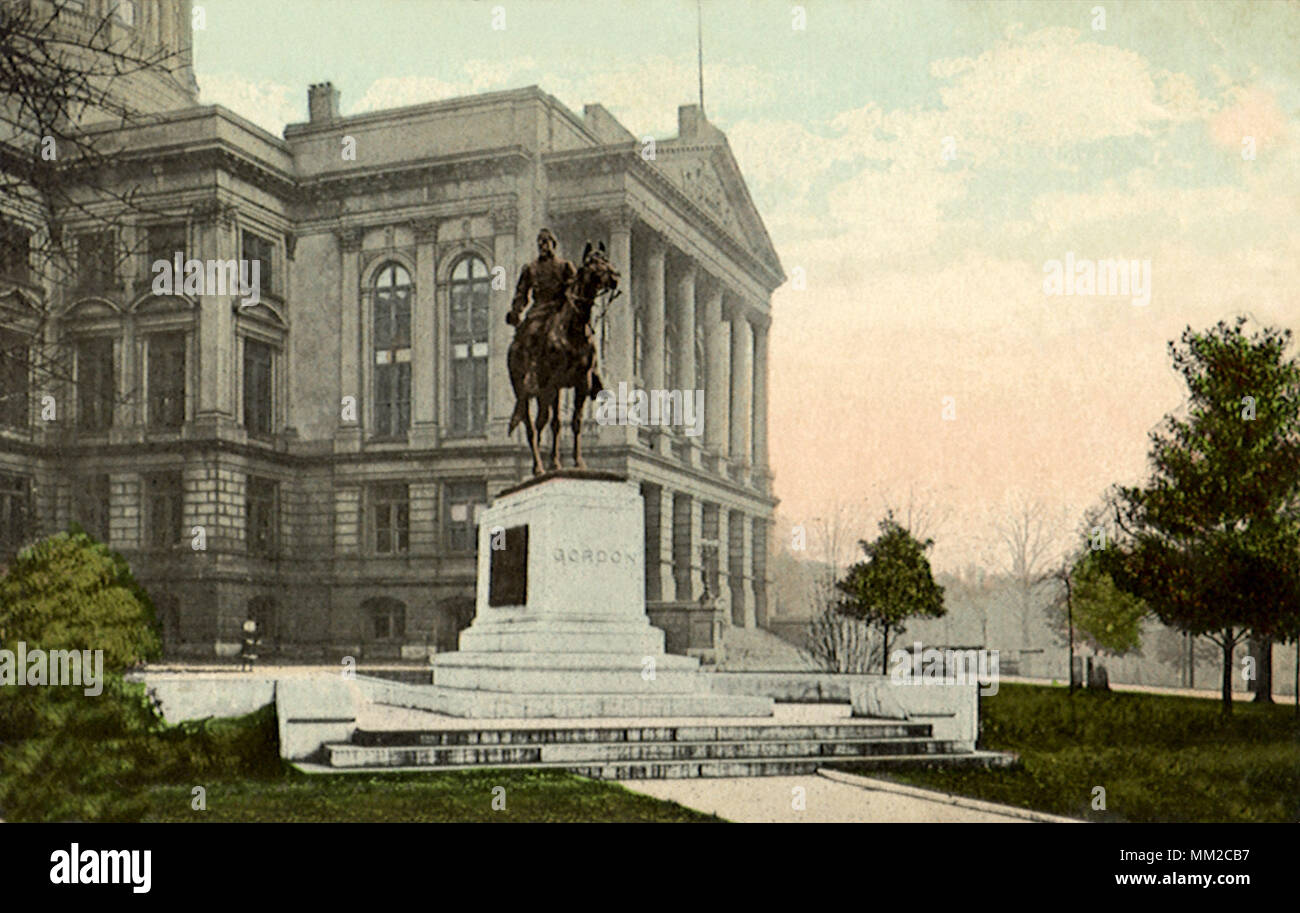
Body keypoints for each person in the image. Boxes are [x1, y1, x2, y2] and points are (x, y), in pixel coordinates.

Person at [507, 227, 577, 392]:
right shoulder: (531, 268)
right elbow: (522, 292)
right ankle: (532, 371)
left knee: (581, 335)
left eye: (546, 243)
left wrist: (568, 295)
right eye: (540, 244)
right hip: (539, 310)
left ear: (554, 244)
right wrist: (516, 311)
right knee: (531, 334)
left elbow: (575, 287)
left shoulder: (565, 266)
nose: (543, 247)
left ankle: (592, 373)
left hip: (560, 310)